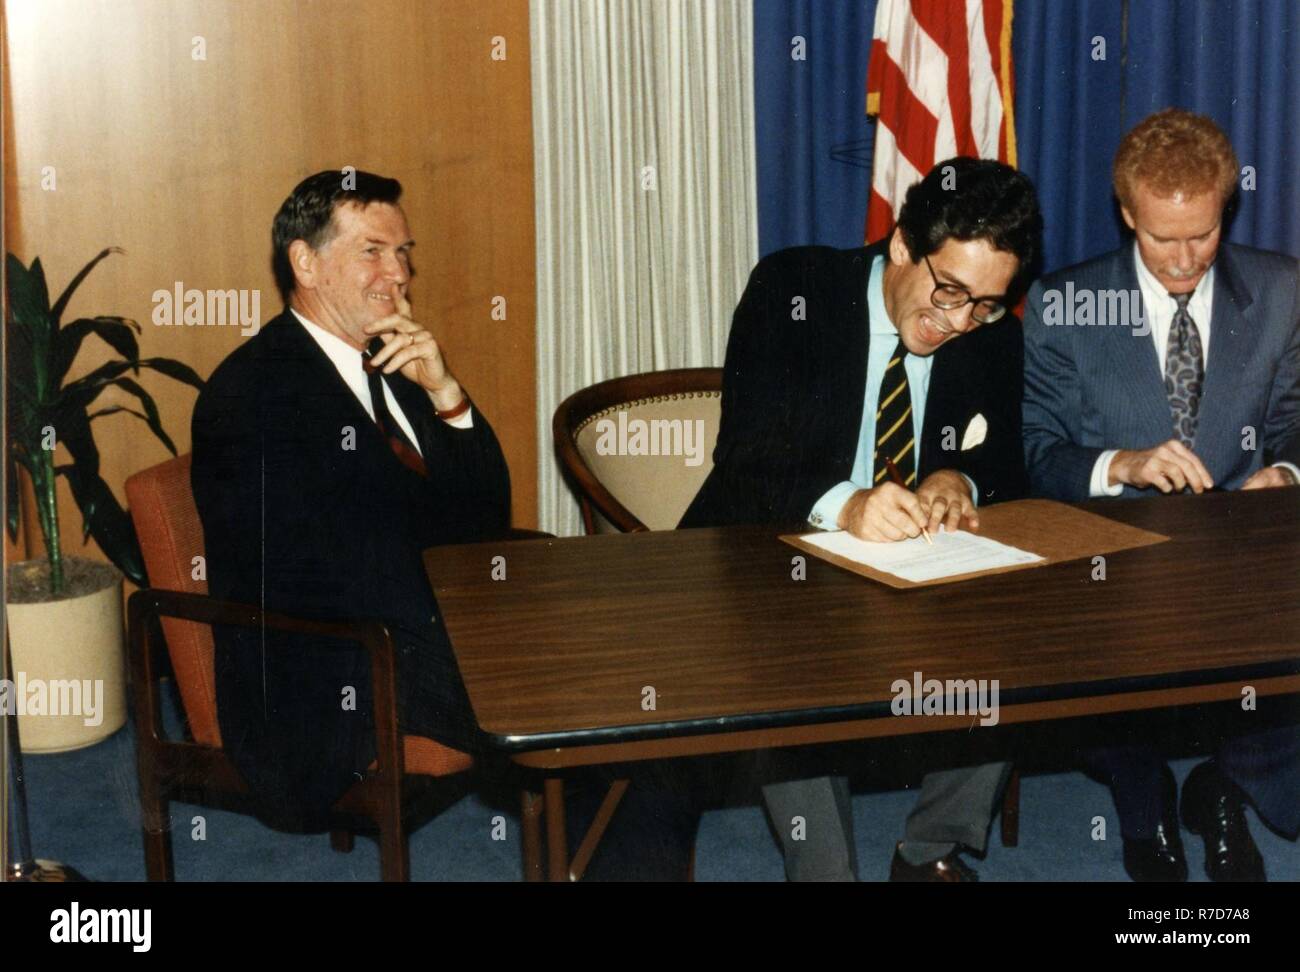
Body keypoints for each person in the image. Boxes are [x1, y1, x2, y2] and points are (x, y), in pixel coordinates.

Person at [192, 171, 699, 879]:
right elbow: (313, 574)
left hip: (430, 622)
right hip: (334, 664)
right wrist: (501, 626)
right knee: (598, 725)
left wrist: (448, 396)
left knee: (650, 692)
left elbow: (484, 517)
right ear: (305, 263)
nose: (397, 274)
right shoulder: (249, 394)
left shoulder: (395, 363)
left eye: (404, 254)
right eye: (373, 252)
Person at [680, 157, 1043, 881]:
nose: (958, 321)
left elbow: (1007, 458)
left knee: (1015, 636)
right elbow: (745, 454)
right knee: (785, 659)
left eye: (984, 304)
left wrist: (956, 475)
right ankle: (827, 875)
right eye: (948, 292)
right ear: (902, 245)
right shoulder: (795, 289)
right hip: (769, 555)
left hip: (912, 566)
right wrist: (845, 504)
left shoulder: (990, 330)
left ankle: (932, 851)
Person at [1022, 108, 1300, 881]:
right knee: (1072, 676)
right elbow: (1035, 456)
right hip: (1112, 570)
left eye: (1202, 236)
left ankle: (1225, 783)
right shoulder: (1063, 304)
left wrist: (1286, 473)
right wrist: (1122, 463)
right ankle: (1145, 809)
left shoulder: (1283, 292)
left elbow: (1297, 423)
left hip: (1247, 564)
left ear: (1226, 210)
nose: (1183, 261)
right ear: (1125, 214)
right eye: (1161, 238)